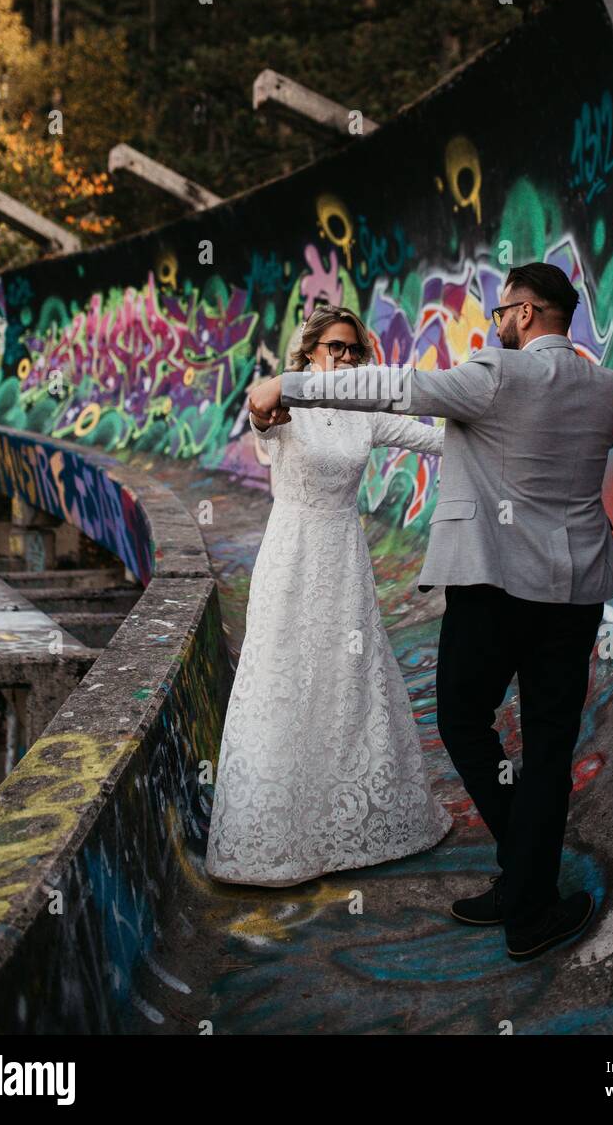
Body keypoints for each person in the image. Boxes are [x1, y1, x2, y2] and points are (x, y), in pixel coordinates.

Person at [250, 262, 613, 961]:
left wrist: (287, 384)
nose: (495, 322)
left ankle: (526, 893)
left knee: (461, 718)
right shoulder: (607, 388)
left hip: (493, 589)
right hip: (576, 592)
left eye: (501, 311)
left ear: (524, 313)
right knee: (548, 749)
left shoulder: (493, 375)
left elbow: (394, 386)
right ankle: (526, 890)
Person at [205, 304, 453, 887]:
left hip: (344, 557)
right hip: (291, 554)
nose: (344, 358)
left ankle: (347, 827)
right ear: (311, 349)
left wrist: (492, 420)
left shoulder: (364, 411)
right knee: (284, 677)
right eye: (335, 347)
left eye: (353, 351)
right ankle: (272, 839)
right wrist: (296, 387)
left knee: (349, 679)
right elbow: (260, 410)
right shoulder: (285, 403)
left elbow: (432, 440)